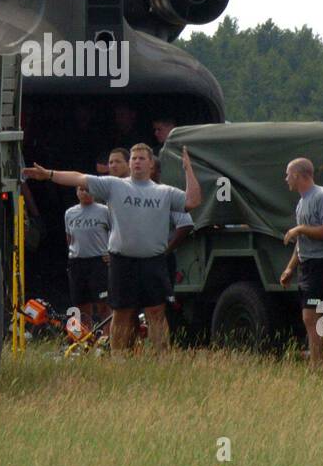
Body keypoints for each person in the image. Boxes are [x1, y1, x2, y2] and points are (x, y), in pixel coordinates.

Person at [24, 144, 201, 354]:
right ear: (130, 163)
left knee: (156, 312)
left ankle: (162, 358)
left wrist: (188, 168)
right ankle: (117, 358)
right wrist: (49, 174)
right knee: (121, 312)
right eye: (134, 158)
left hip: (153, 261)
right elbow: (78, 178)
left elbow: (193, 200)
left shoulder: (164, 192)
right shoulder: (114, 186)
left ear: (151, 164)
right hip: (123, 261)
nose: (137, 161)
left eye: (142, 158)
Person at [278, 157, 323, 366]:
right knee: (316, 318)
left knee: (313, 317)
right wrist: (289, 269)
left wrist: (300, 229)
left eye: (288, 174)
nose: (286, 178)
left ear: (298, 175)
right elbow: (301, 243)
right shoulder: (301, 203)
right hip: (308, 267)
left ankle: (320, 365)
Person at [64, 184, 112, 332]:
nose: (84, 193)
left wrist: (111, 253)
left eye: (88, 189)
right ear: (77, 192)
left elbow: (115, 233)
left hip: (99, 261)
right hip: (78, 262)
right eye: (81, 189)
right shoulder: (70, 213)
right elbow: (69, 237)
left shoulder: (105, 211)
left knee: (103, 304)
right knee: (82, 305)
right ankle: (86, 339)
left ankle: (106, 339)